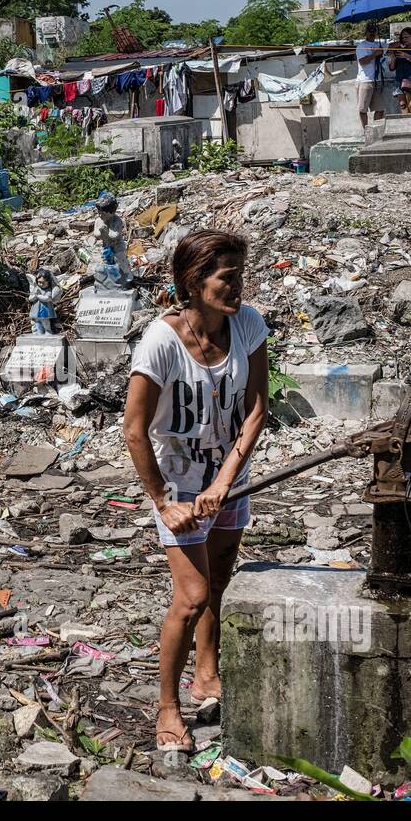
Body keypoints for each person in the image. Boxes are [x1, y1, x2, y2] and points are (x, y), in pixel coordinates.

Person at [123, 230, 270, 751]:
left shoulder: (246, 323)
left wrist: (227, 481)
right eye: (226, 278)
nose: (237, 288)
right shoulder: (161, 342)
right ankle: (168, 710)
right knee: (192, 596)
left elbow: (257, 410)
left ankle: (207, 674)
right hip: (178, 485)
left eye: (240, 276)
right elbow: (135, 430)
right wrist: (164, 500)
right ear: (193, 282)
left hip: (229, 477)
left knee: (220, 580)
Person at [355, 23, 385, 128]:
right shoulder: (361, 46)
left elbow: (391, 47)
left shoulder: (379, 44)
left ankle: (376, 130)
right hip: (365, 81)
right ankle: (366, 131)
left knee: (380, 109)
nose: (372, 33)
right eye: (370, 31)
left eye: (374, 31)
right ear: (366, 33)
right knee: (363, 109)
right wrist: (374, 54)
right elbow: (363, 61)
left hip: (377, 80)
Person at [388, 27, 411, 115]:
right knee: (402, 104)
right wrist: (392, 56)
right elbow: (392, 68)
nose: (404, 39)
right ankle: (405, 122)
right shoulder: (397, 48)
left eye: (406, 37)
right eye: (402, 37)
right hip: (399, 78)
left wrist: (406, 56)